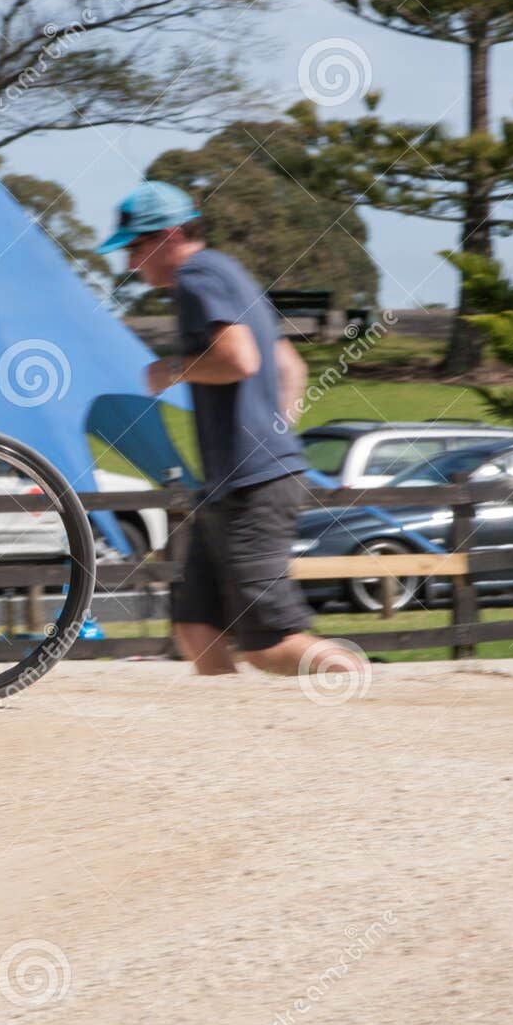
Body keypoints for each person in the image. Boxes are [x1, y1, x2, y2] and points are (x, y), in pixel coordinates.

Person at [96, 181, 367, 679]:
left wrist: (170, 370)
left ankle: (355, 684)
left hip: (251, 486)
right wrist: (275, 431)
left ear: (170, 236)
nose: (131, 264)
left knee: (268, 644)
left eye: (135, 247)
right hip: (231, 485)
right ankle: (228, 741)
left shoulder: (197, 277)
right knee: (196, 625)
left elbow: (239, 359)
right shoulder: (230, 273)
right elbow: (289, 364)